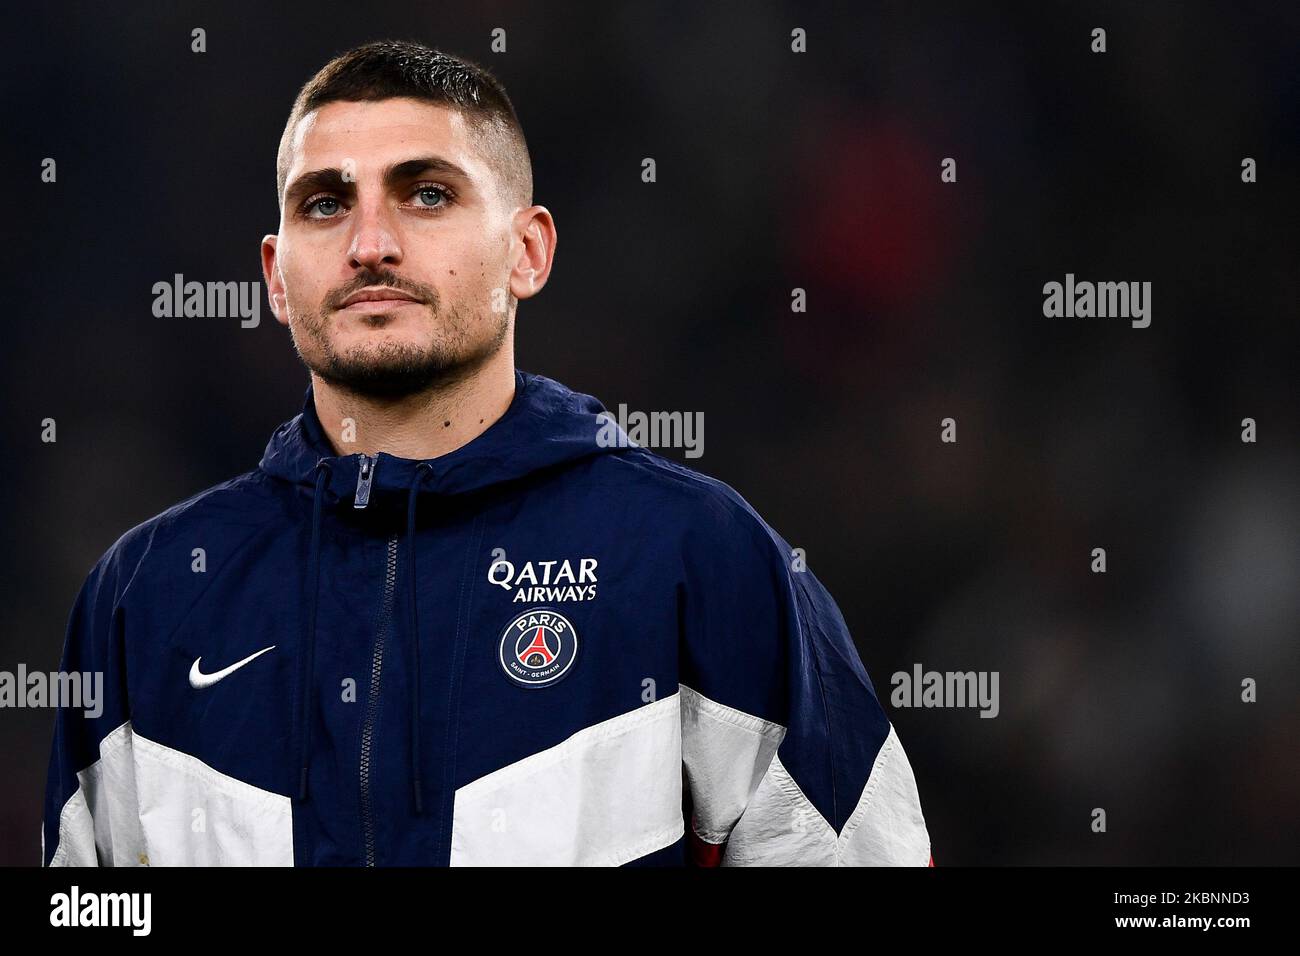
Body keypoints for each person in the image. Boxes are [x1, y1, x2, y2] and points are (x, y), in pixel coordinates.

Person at [42, 39, 932, 866]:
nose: (370, 244)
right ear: (277, 276)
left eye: (427, 193)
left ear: (528, 251)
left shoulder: (695, 557)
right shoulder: (145, 601)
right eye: (326, 203)